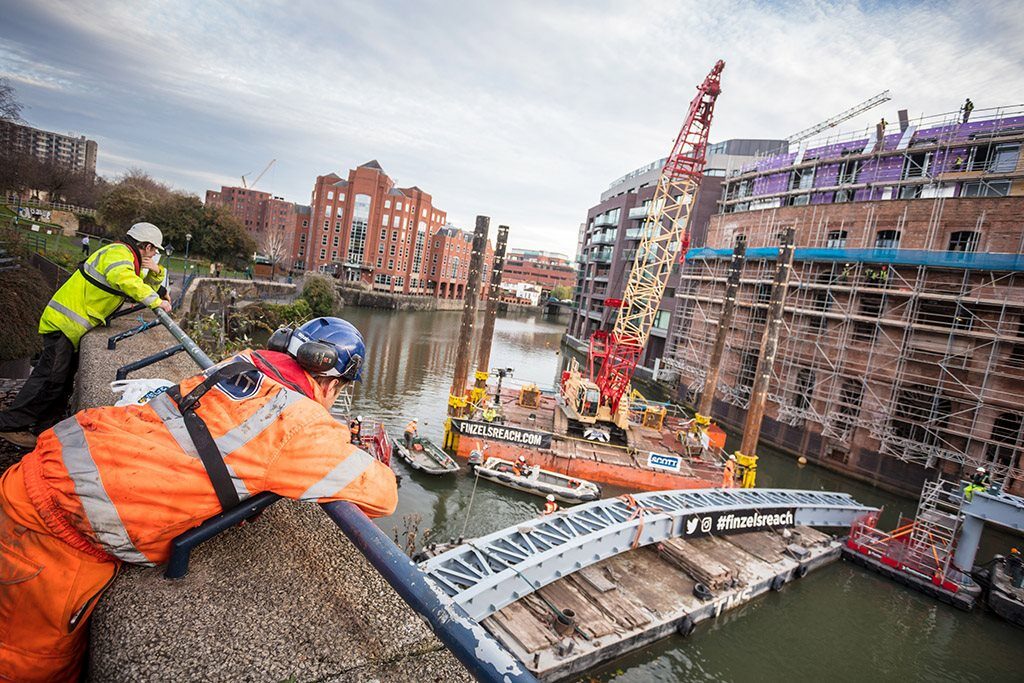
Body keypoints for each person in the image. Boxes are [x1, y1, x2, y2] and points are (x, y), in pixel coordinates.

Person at [0, 316, 397, 680]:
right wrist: (335, 438)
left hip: (52, 466)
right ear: (330, 384)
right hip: (51, 532)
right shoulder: (301, 427)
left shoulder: (243, 363)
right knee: (26, 664)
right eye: (338, 391)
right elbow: (383, 495)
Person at [0, 222, 172, 449]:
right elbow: (126, 281)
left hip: (70, 326)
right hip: (63, 323)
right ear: (147, 246)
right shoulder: (118, 253)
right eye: (155, 251)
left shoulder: (125, 256)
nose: (155, 255)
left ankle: (44, 429)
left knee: (59, 382)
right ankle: (10, 425)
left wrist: (158, 273)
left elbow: (139, 284)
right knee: (49, 379)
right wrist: (157, 302)